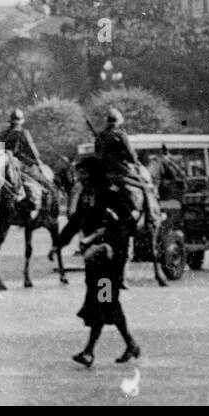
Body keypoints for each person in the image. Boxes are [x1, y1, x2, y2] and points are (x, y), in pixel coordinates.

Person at [56, 157, 140, 367]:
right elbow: (77, 220)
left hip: (110, 259)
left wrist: (105, 241)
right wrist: (59, 242)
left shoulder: (111, 193)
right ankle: (130, 344)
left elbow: (128, 223)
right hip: (94, 259)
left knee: (102, 301)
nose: (80, 177)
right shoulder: (88, 193)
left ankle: (89, 351)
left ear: (92, 173)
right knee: (105, 302)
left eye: (83, 173)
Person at [94, 108, 159, 228]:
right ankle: (151, 216)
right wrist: (135, 162)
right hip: (121, 174)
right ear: (118, 121)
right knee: (146, 187)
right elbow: (131, 154)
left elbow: (97, 155)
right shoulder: (120, 134)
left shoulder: (100, 136)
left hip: (103, 175)